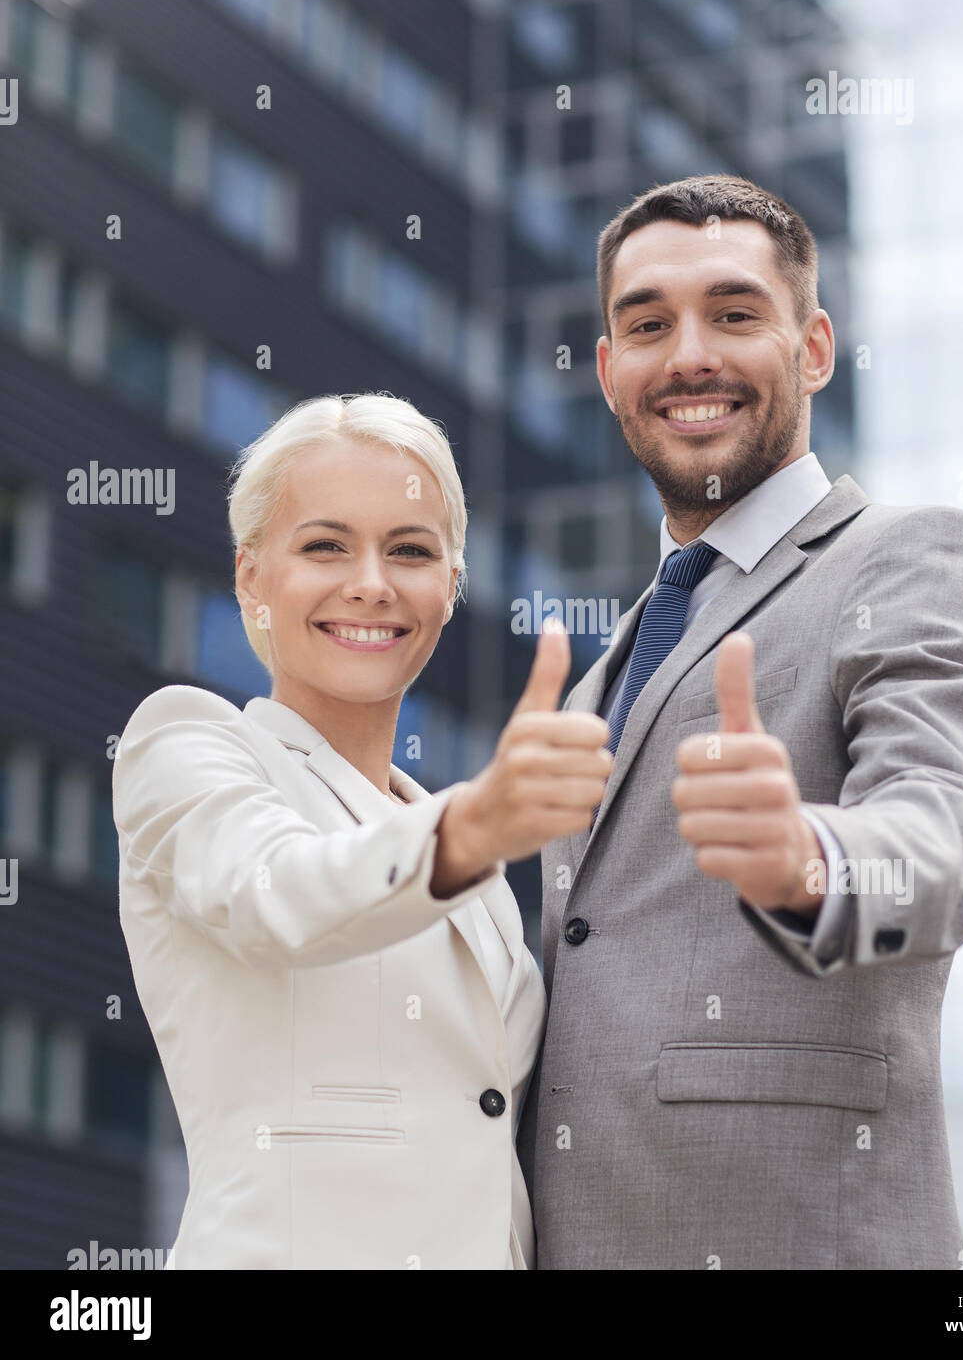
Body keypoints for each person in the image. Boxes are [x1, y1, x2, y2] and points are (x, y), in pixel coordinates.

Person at [516, 174, 963, 1269]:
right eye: (647, 323)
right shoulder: (594, 679)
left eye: (734, 312)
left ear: (811, 349)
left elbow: (951, 829)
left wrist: (809, 856)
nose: (689, 354)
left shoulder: (911, 557)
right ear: (610, 373)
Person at [112, 392, 612, 1269]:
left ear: (451, 588)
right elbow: (279, 893)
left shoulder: (474, 867)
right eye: (324, 546)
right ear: (251, 578)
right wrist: (473, 828)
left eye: (411, 551)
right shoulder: (186, 743)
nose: (372, 583)